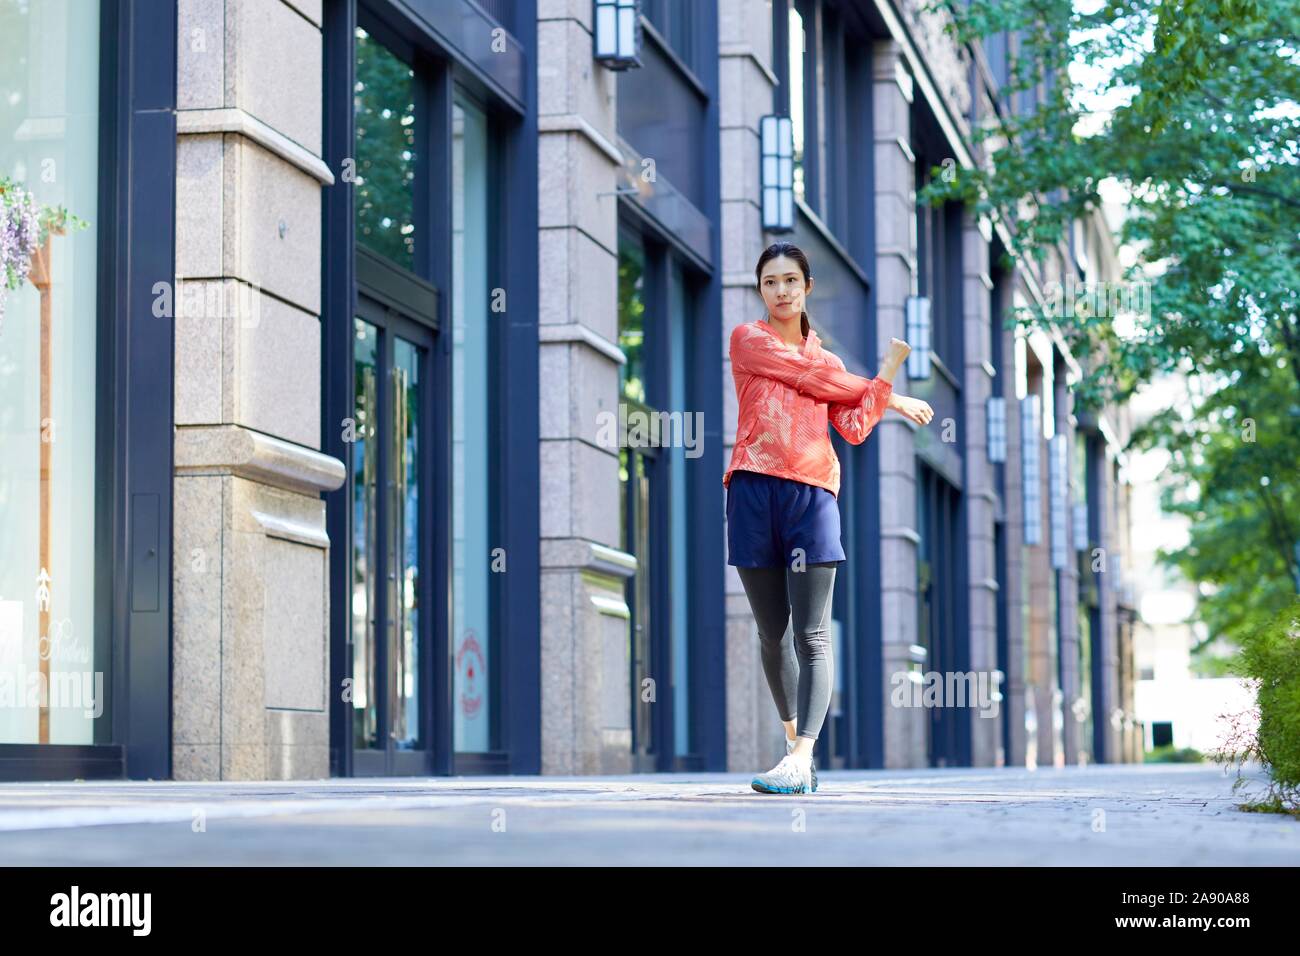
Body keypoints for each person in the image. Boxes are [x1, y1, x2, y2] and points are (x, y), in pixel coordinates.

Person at [726, 240, 934, 794]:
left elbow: (854, 428)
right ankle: (794, 744)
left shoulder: (833, 363)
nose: (781, 291)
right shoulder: (748, 340)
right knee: (773, 633)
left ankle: (800, 756)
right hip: (752, 490)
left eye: (791, 280)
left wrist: (881, 382)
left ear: (807, 286)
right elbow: (808, 378)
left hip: (813, 495)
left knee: (812, 635)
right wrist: (888, 387)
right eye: (770, 281)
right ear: (760, 290)